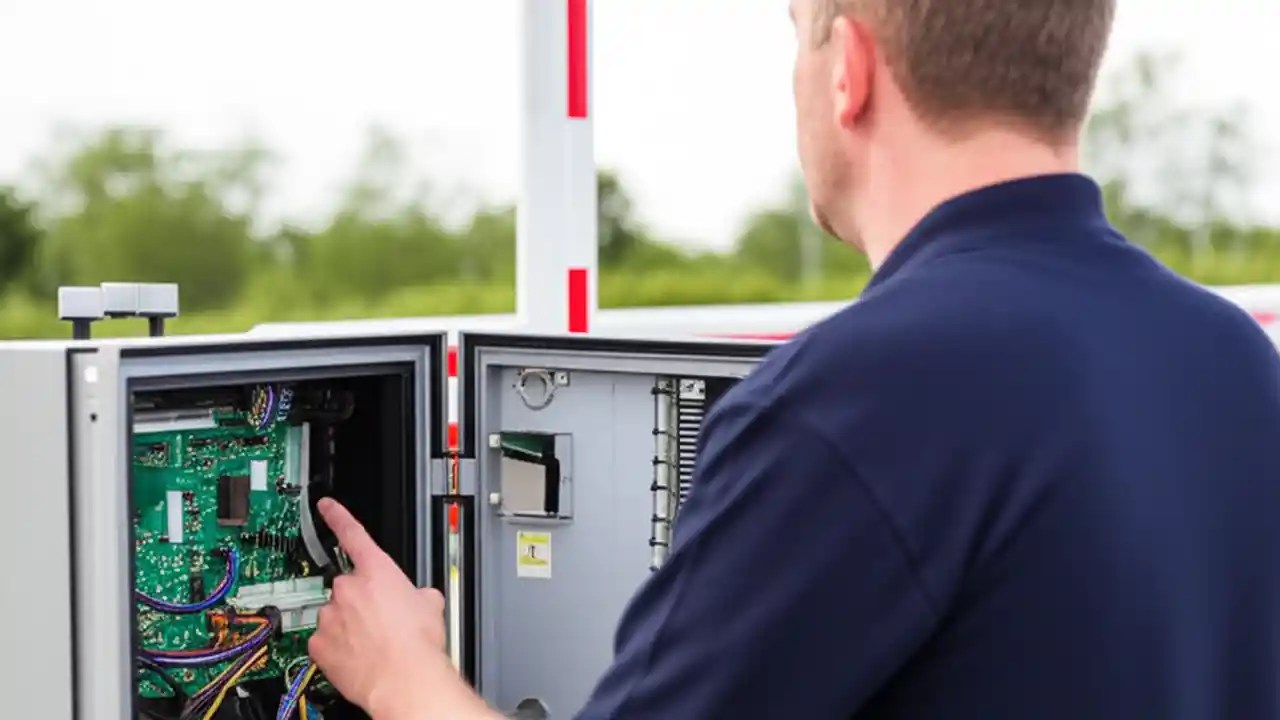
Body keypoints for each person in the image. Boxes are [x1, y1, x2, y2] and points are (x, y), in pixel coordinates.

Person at [308, 0, 1280, 717]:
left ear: (846, 66)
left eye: (795, 34)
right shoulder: (1233, 359)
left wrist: (401, 675)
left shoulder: (854, 398)